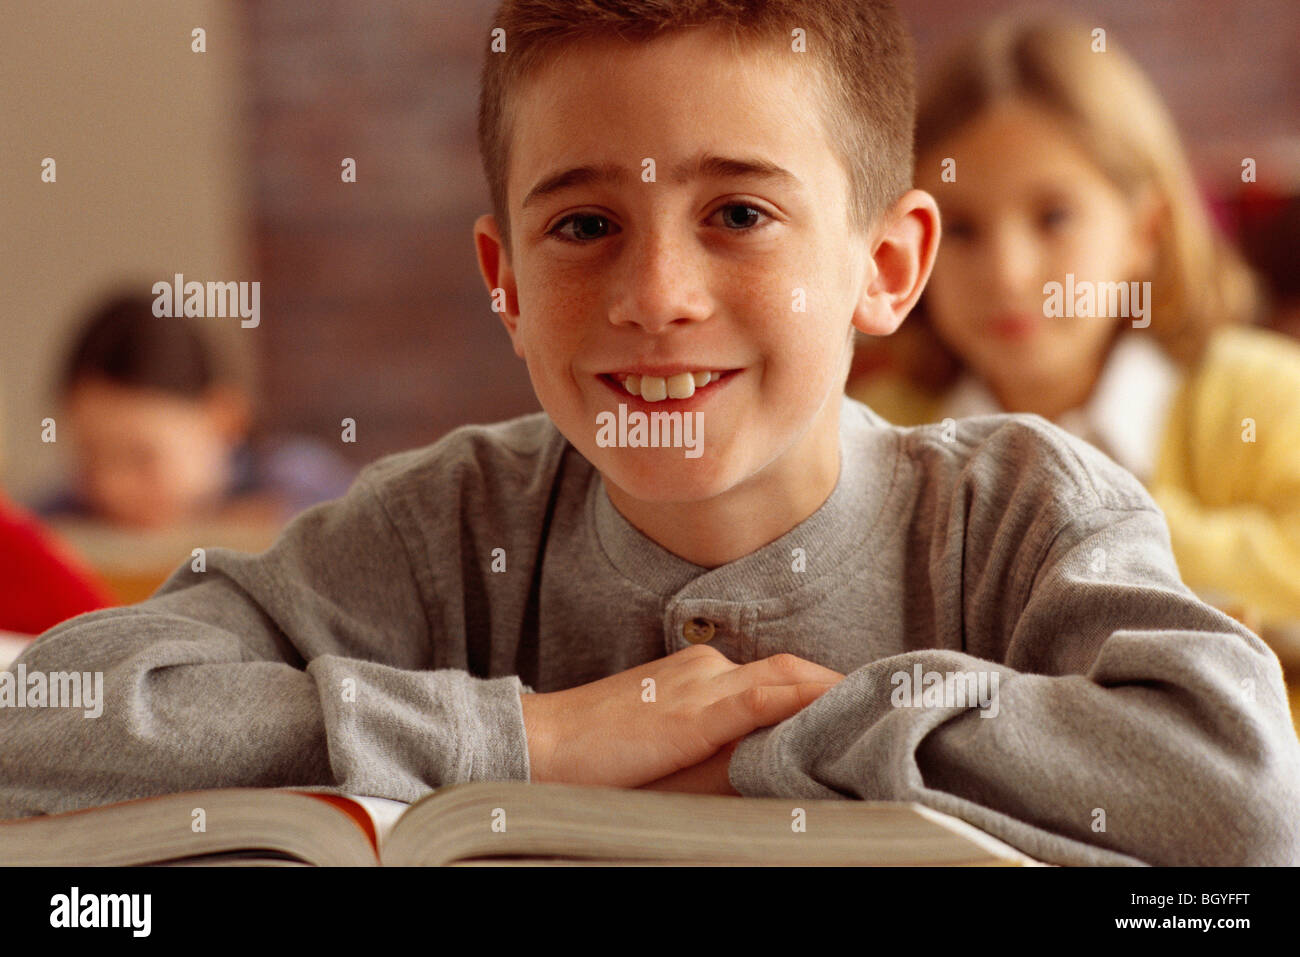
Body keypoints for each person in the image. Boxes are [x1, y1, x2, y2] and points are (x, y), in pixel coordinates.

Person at [1, 0, 1297, 867]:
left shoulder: (1023, 510)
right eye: (582, 226)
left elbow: (1244, 799)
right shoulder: (440, 527)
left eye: (739, 213)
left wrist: (803, 737)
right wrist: (540, 742)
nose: (654, 296)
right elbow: (39, 723)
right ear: (504, 281)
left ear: (888, 264)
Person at [848, 16, 1300, 650]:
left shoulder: (1264, 394)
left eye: (1054, 216)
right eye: (965, 229)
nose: (1007, 275)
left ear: (1145, 231)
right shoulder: (875, 432)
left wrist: (1072, 521)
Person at [37, 293, 356, 530]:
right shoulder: (63, 514)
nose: (111, 487)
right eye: (89, 457)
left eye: (140, 457)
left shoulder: (298, 486)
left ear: (224, 418)